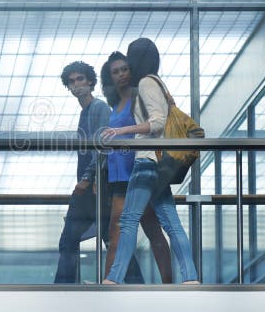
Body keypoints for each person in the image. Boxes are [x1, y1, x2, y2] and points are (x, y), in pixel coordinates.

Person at [102, 38, 200, 285]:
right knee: (171, 222)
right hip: (158, 162)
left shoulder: (146, 83)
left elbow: (156, 123)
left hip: (147, 160)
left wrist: (122, 132)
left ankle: (114, 279)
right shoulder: (157, 83)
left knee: (128, 220)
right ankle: (190, 278)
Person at [100, 52, 173, 283]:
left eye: (124, 69)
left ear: (131, 71)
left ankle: (168, 284)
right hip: (119, 175)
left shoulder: (138, 96)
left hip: (139, 171)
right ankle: (109, 283)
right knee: (117, 230)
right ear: (109, 77)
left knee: (150, 231)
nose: (121, 75)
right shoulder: (115, 104)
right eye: (115, 71)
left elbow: (157, 120)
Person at [53, 61, 111, 283]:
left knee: (69, 239)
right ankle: (135, 280)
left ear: (90, 81)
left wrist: (88, 178)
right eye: (71, 81)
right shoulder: (85, 113)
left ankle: (62, 287)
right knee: (108, 237)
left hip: (96, 185)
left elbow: (104, 146)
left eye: (80, 79)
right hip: (92, 185)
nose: (76, 85)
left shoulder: (99, 108)